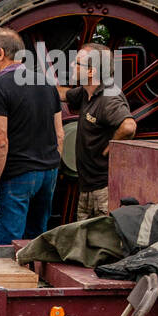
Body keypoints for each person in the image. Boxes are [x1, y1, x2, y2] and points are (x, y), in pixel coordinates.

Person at [0, 27, 63, 245]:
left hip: (18, 175)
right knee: (36, 244)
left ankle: (9, 280)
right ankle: (35, 278)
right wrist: (52, 167)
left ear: (1, 53)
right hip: (48, 173)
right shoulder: (46, 83)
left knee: (10, 247)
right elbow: (60, 135)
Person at [58, 43, 136, 219]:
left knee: (103, 240)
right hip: (87, 187)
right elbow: (63, 94)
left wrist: (111, 145)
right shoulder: (86, 93)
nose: (71, 65)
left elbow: (129, 126)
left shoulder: (108, 98)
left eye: (77, 63)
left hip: (103, 190)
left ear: (92, 72)